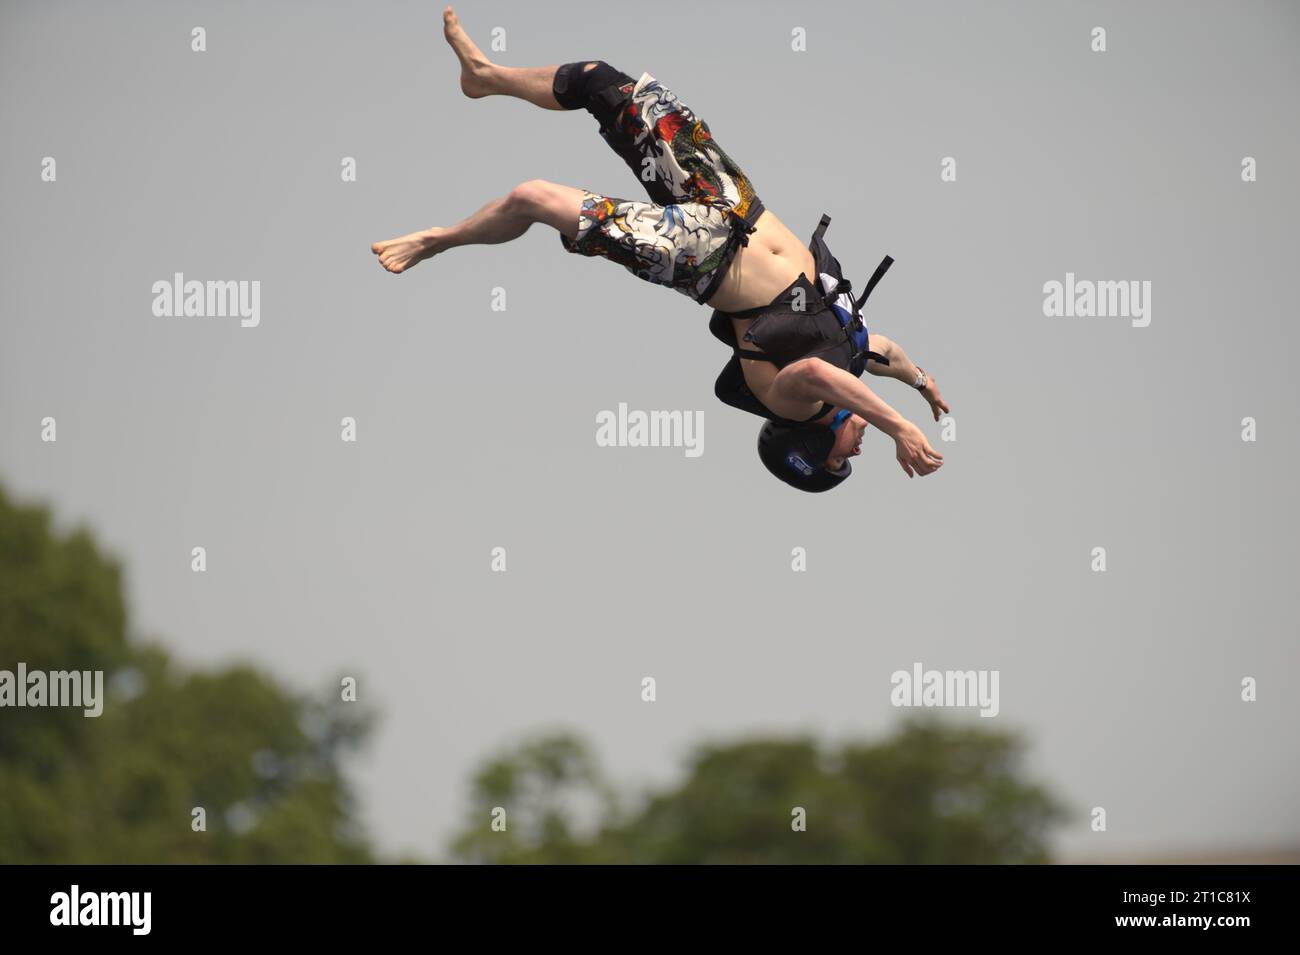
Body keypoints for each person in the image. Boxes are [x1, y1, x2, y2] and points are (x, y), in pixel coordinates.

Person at [373, 7, 949, 490]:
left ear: (808, 439)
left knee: (533, 198)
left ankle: (438, 240)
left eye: (841, 457)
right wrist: (920, 381)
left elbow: (825, 379)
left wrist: (898, 425)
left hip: (699, 256)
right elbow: (880, 348)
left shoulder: (791, 401)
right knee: (603, 82)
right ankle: (486, 75)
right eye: (849, 458)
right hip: (734, 200)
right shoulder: (845, 359)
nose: (857, 449)